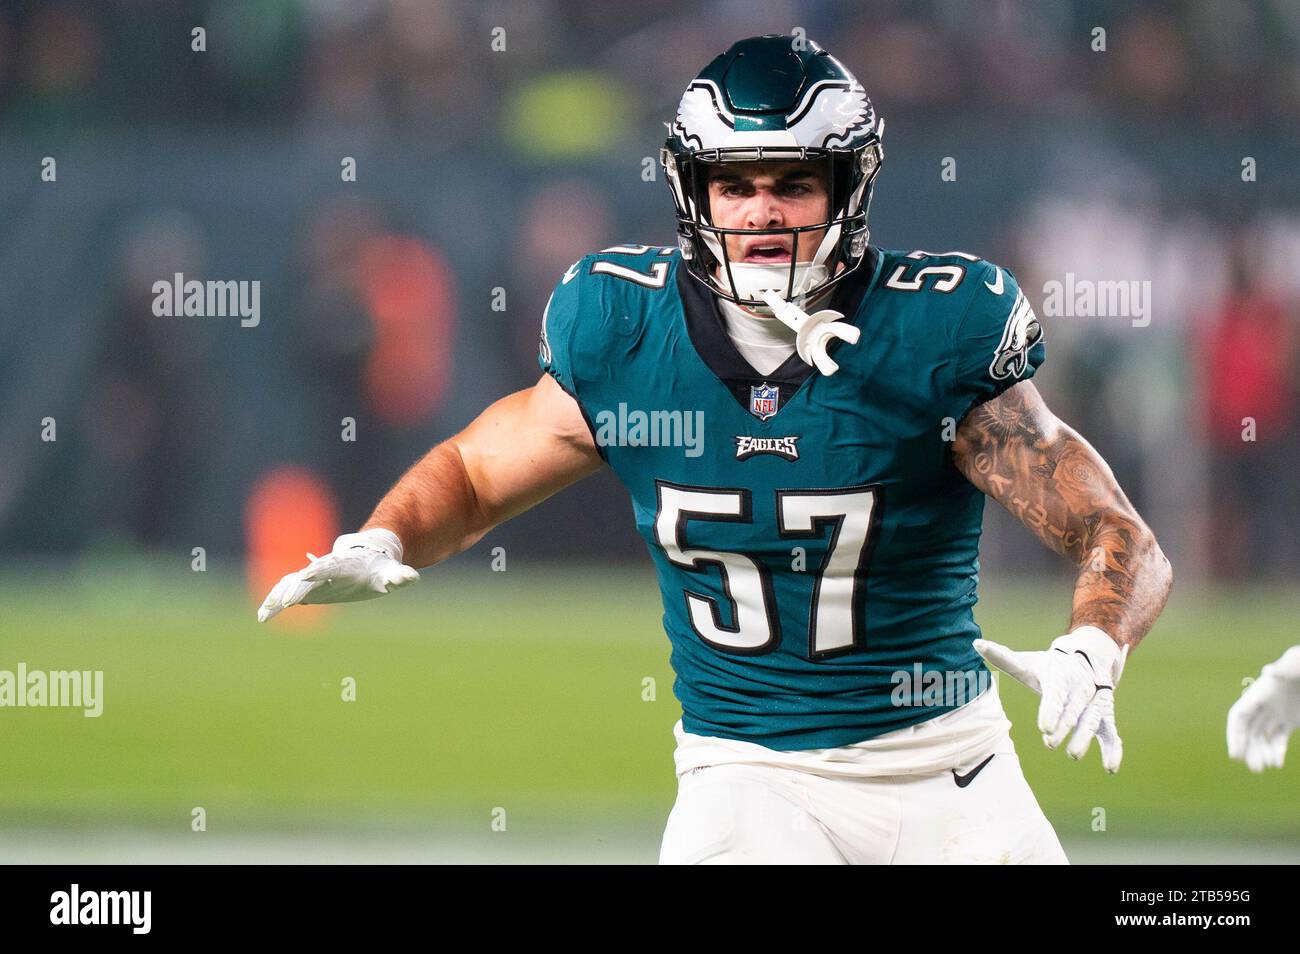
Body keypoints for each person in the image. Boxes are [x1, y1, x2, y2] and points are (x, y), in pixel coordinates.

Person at [257, 35, 1173, 864]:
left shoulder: (935, 327)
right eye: (734, 184)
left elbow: (1110, 526)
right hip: (747, 776)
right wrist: (384, 537)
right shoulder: (623, 327)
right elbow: (473, 470)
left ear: (849, 188)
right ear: (693, 193)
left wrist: (1095, 644)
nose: (761, 212)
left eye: (792, 183)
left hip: (951, 769)